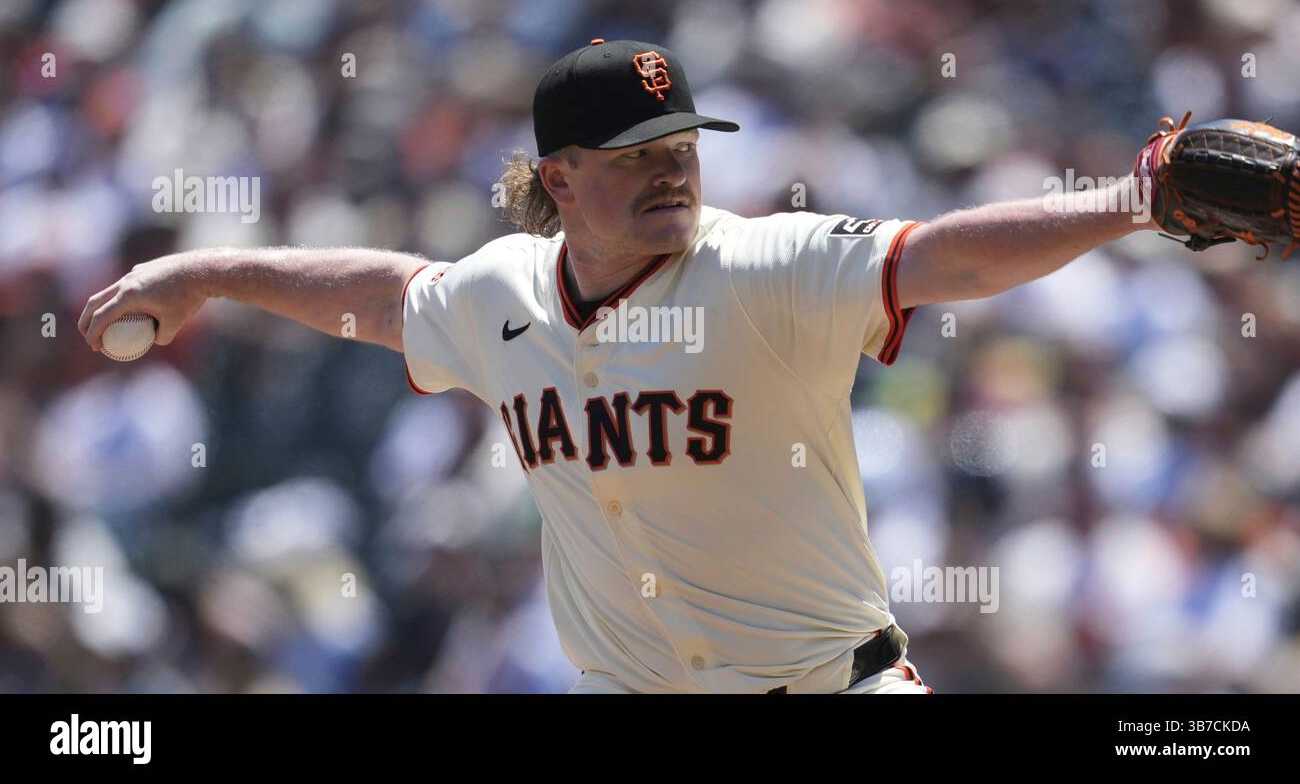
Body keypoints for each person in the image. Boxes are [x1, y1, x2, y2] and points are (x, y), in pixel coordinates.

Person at [80, 38, 1147, 693]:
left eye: (681, 147)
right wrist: (209, 268)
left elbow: (945, 255)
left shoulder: (763, 260)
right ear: (560, 175)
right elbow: (380, 292)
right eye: (637, 157)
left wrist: (1126, 202)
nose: (672, 172)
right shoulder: (500, 293)